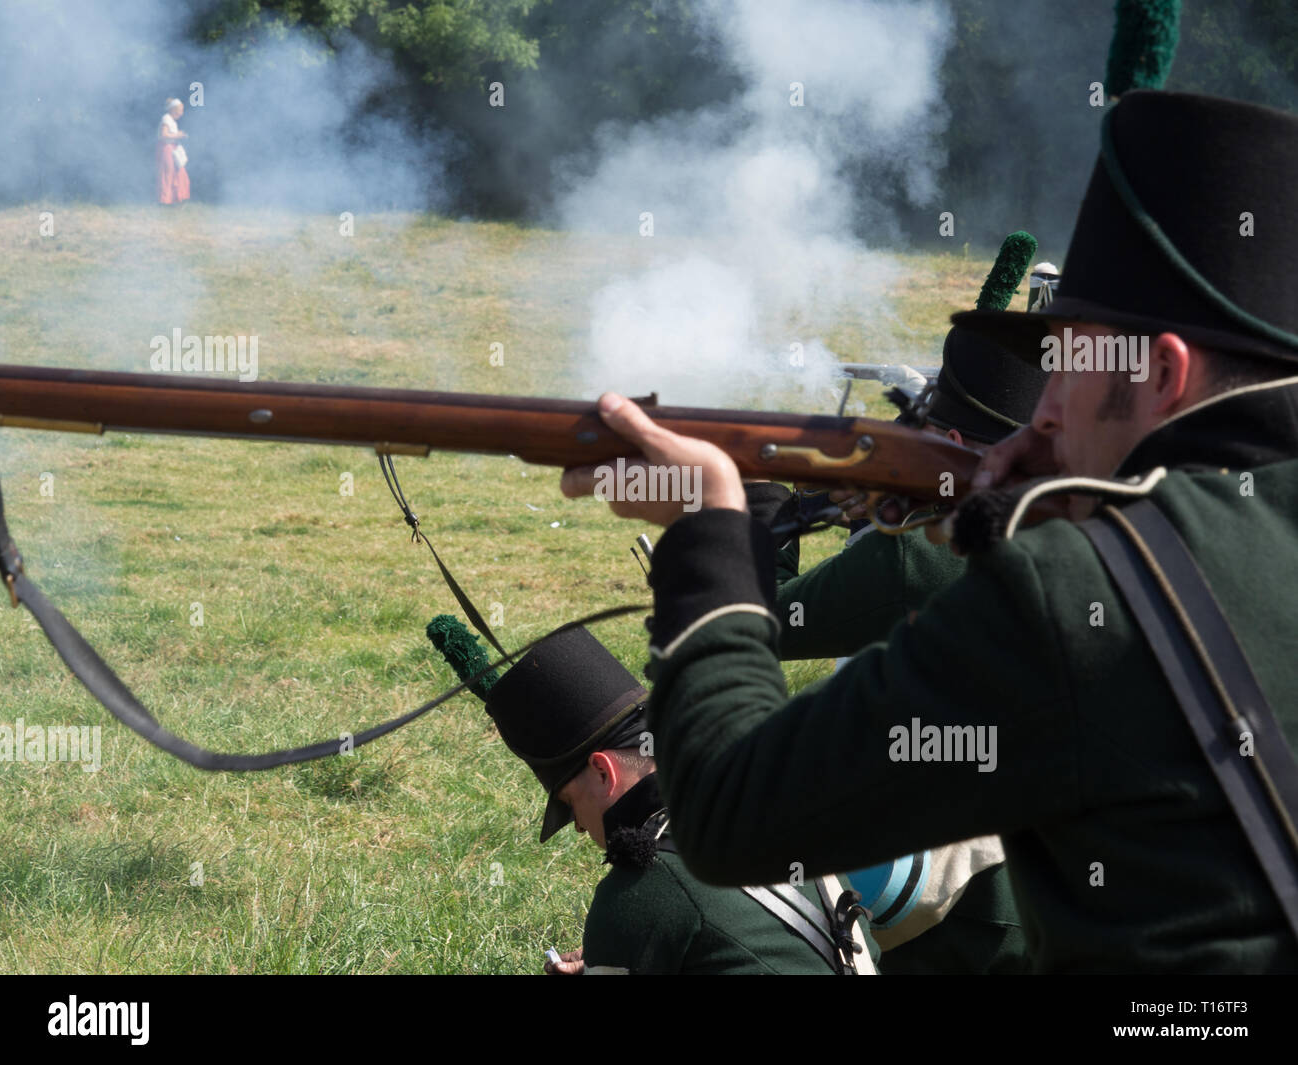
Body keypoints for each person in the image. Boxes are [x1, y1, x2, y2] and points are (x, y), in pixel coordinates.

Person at [560, 89, 1298, 973]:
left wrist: (705, 535)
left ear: (1162, 374)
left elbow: (725, 815)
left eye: (1062, 362)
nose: (1046, 404)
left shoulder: (1070, 588)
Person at [741, 234, 1051, 974]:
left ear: (944, 442)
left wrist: (766, 519)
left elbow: (759, 629)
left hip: (947, 900)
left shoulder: (910, 557)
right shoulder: (1067, 519)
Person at [465, 624, 879, 974]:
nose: (576, 824)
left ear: (604, 772)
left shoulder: (639, 891)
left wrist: (626, 940)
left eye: (570, 802)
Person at [157, 97, 190, 206]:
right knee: (168, 174)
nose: (181, 113)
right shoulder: (166, 118)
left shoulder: (172, 121)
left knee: (178, 173)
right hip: (166, 148)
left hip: (172, 148)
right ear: (173, 109)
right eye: (180, 110)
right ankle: (165, 201)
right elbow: (163, 135)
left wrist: (179, 136)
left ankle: (176, 199)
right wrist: (178, 135)